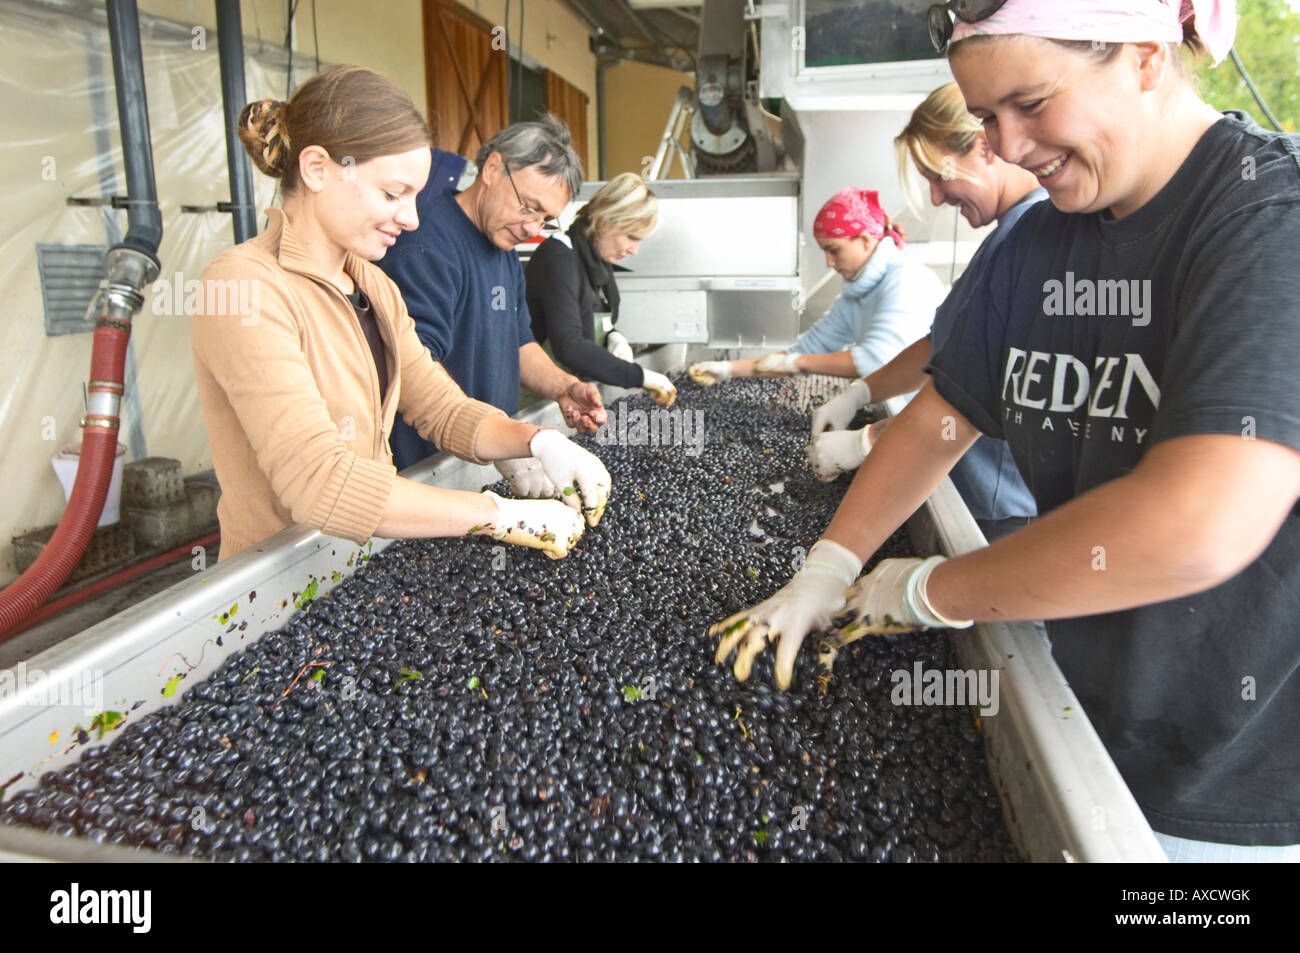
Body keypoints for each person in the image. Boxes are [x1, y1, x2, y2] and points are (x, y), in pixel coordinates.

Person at [712, 1, 1300, 860]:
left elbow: (1202, 520)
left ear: (1143, 55)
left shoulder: (1265, 220)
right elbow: (941, 416)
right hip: (1076, 709)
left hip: (1225, 785)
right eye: (987, 117)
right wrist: (830, 565)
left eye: (1032, 102)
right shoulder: (1039, 244)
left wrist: (929, 591)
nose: (1010, 146)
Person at [191, 67, 610, 564]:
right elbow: (320, 481)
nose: (411, 219)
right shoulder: (243, 287)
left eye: (415, 196)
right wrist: (498, 514)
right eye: (393, 194)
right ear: (318, 169)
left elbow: (443, 409)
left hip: (364, 564)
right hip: (277, 587)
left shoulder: (374, 287)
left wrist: (537, 442)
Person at [807, 82, 1045, 541]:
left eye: (938, 176)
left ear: (984, 146)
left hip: (1005, 512)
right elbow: (942, 343)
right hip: (973, 490)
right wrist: (859, 394)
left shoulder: (1036, 238)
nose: (936, 198)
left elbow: (987, 390)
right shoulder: (1007, 236)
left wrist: (867, 441)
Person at [377, 114, 609, 501]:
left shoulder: (502, 248)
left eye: (545, 218)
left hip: (487, 464)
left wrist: (564, 387)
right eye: (528, 206)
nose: (531, 227)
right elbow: (414, 370)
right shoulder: (426, 245)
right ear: (493, 169)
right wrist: (510, 439)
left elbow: (520, 342)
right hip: (429, 475)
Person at [687, 188, 942, 386]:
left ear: (865, 240)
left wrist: (796, 363)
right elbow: (804, 351)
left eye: (834, 250)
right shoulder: (853, 297)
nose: (830, 263)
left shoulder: (907, 281)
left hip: (935, 426)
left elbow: (876, 359)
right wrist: (728, 370)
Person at [525, 172, 677, 407]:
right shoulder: (559, 256)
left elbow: (595, 321)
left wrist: (614, 337)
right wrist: (639, 376)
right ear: (607, 221)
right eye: (631, 237)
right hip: (536, 402)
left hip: (573, 398)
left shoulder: (598, 264)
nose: (634, 250)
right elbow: (569, 345)